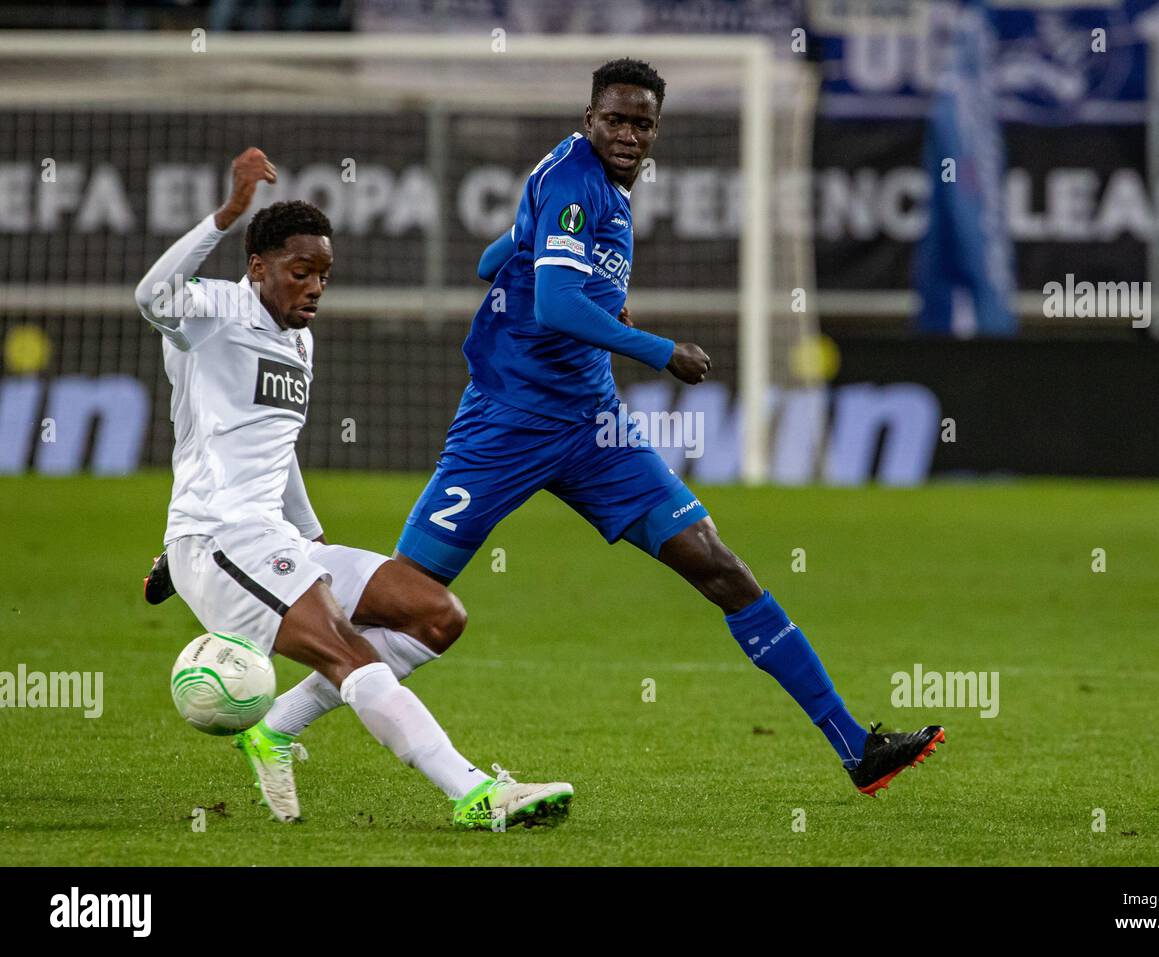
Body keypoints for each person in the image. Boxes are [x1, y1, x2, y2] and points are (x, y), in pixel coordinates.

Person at [390, 58, 945, 797]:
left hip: (593, 429)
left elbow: (499, 257)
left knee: (719, 564)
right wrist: (663, 351)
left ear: (656, 130)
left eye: (642, 123)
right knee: (404, 598)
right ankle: (279, 711)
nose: (627, 133)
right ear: (590, 118)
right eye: (615, 119)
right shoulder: (576, 181)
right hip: (508, 425)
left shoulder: (580, 179)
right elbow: (554, 305)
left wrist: (538, 262)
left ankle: (855, 747)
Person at [137, 147, 572, 828]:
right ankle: (473, 792)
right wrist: (225, 215)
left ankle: (274, 727)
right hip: (219, 538)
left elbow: (274, 452)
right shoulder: (212, 313)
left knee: (437, 614)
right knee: (350, 651)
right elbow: (150, 295)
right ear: (259, 269)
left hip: (274, 538)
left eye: (324, 275)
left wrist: (310, 538)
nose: (314, 287)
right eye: (300, 272)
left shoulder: (300, 341)